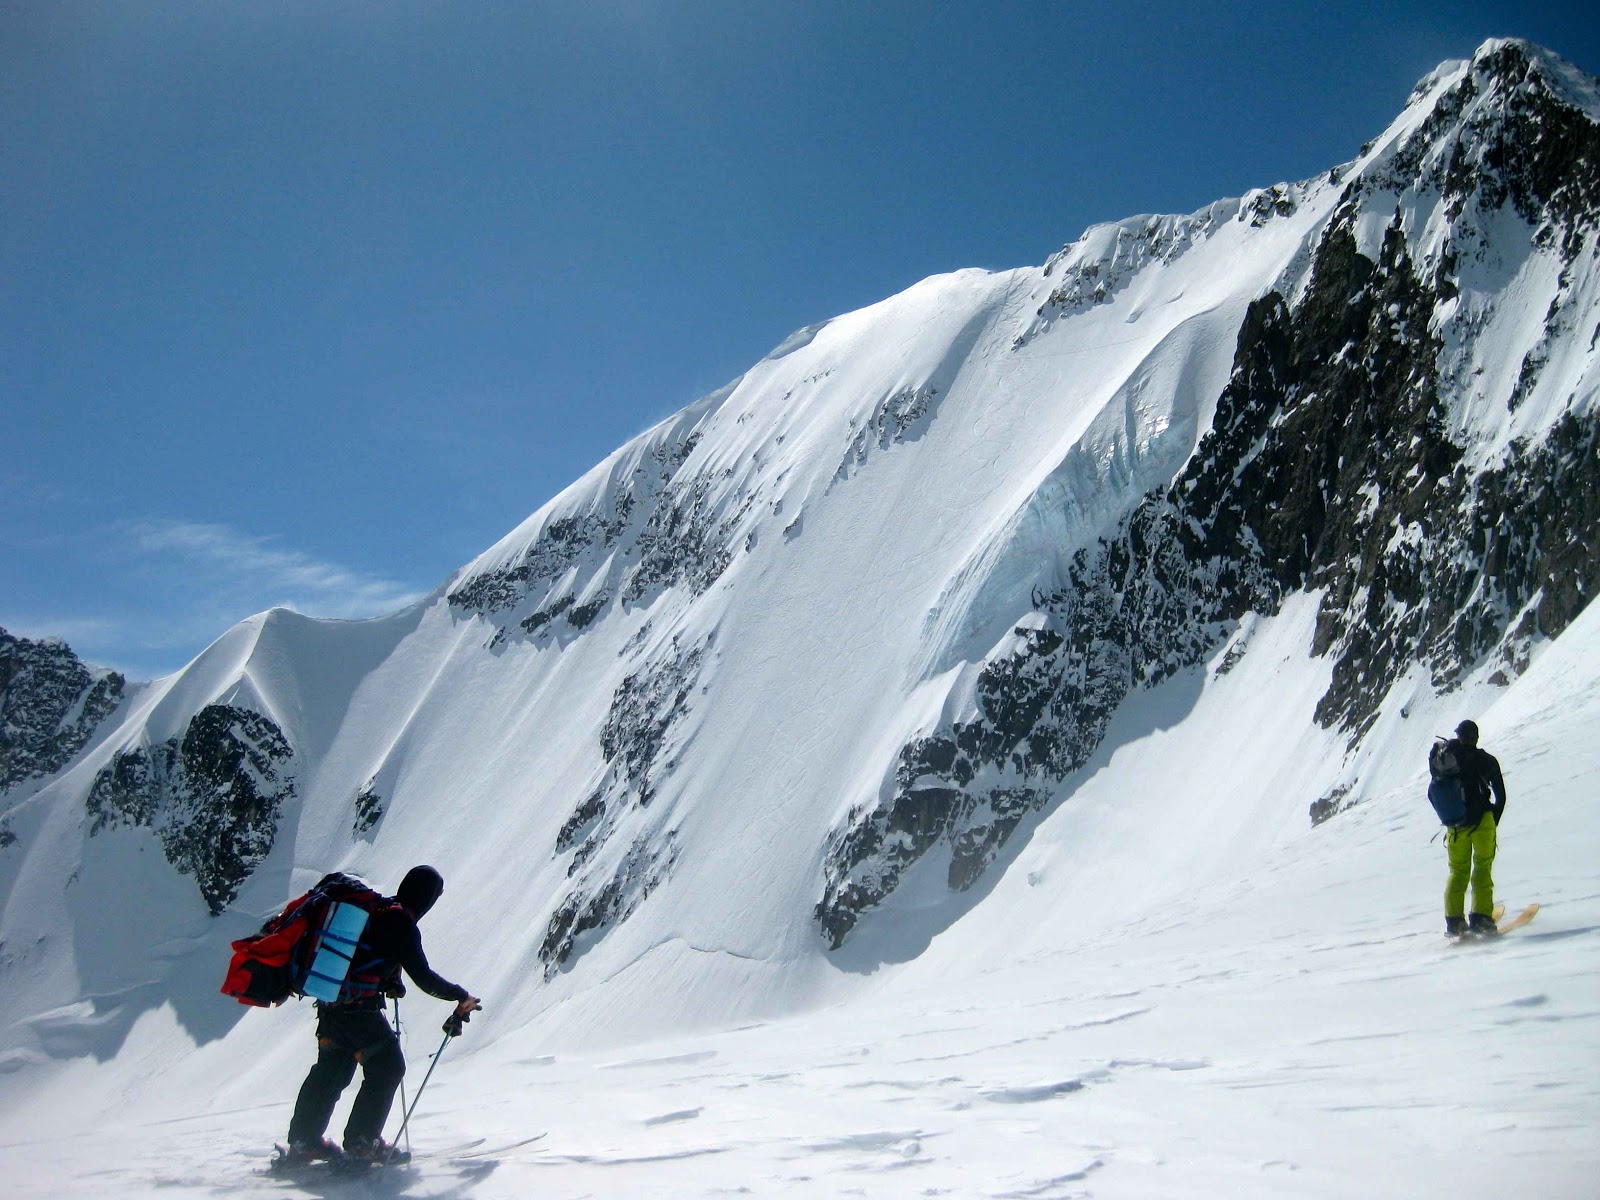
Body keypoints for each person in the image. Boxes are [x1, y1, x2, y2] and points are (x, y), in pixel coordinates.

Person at [284, 865, 482, 1164]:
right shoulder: (401, 922)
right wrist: (460, 996)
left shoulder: (376, 910)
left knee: (331, 1071)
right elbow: (424, 977)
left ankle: (303, 1142)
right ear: (426, 897)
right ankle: (362, 1143)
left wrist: (388, 978)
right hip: (359, 1013)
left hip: (330, 1006)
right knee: (388, 1068)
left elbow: (369, 953)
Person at [1442, 720, 1507, 936]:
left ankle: (1454, 921)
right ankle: (1481, 918)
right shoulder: (1486, 761)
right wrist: (1492, 820)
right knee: (1482, 868)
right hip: (1482, 823)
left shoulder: (1447, 760)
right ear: (1476, 737)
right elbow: (1501, 796)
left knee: (1457, 871)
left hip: (1455, 826)